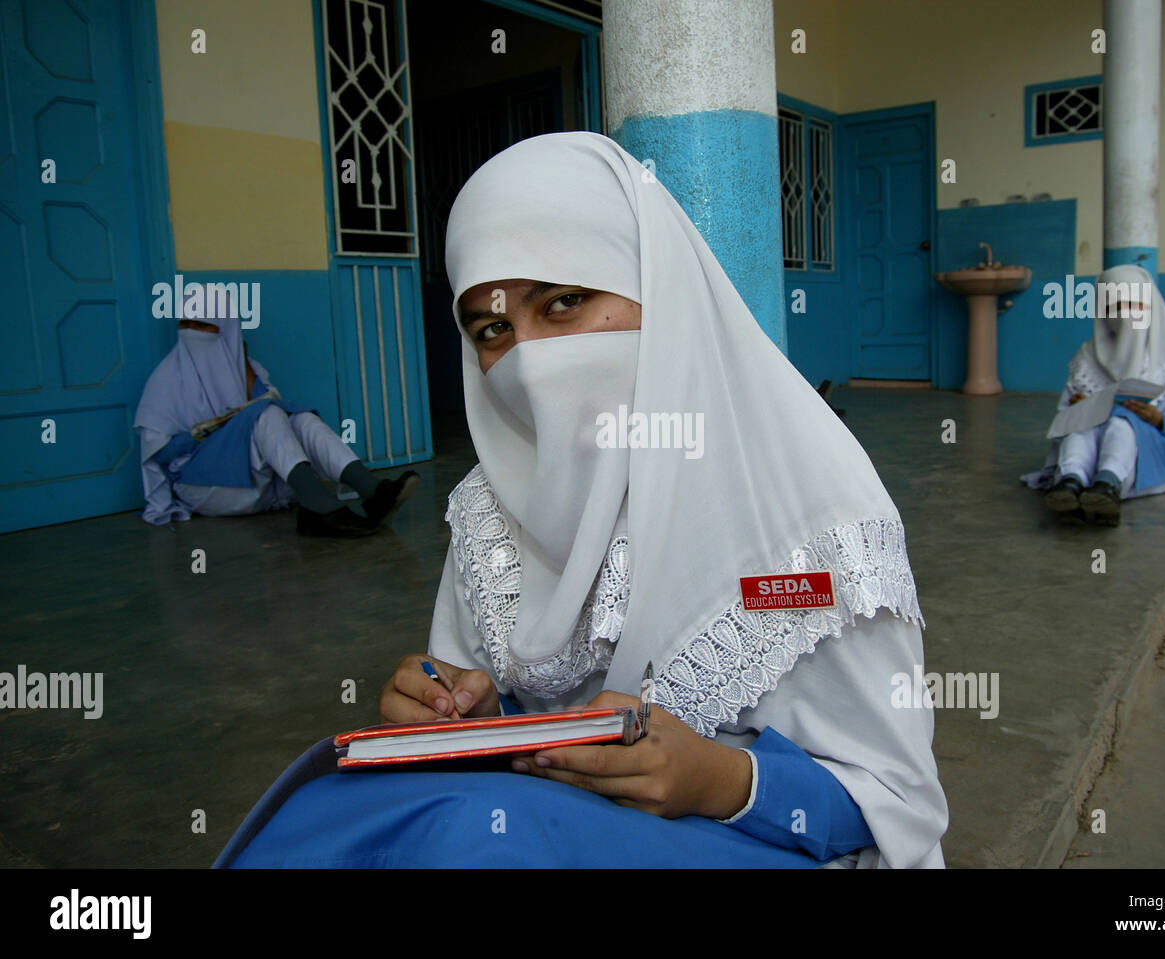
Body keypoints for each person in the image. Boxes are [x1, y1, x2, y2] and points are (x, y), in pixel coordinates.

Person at [214, 132, 947, 869]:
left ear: (652, 282)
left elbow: (897, 804)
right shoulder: (489, 509)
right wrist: (460, 712)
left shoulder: (814, 512)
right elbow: (493, 718)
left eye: (564, 301)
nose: (531, 361)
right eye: (494, 329)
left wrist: (718, 779)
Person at [134, 315, 417, 537]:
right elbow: (159, 453)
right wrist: (209, 435)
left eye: (203, 325)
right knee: (266, 414)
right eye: (185, 324)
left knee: (298, 417)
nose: (191, 332)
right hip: (204, 487)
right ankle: (319, 506)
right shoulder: (166, 378)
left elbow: (271, 415)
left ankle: (371, 490)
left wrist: (241, 365)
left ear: (227, 331)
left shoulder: (248, 368)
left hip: (257, 484)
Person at [1021, 265, 1165, 527]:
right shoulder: (1088, 356)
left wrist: (1159, 419)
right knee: (1081, 427)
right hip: (1091, 440)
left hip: (1147, 450)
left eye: (1133, 306)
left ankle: (1109, 484)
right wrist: (1076, 409)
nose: (1123, 316)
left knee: (1122, 425)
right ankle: (1071, 481)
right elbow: (1063, 418)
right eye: (1113, 308)